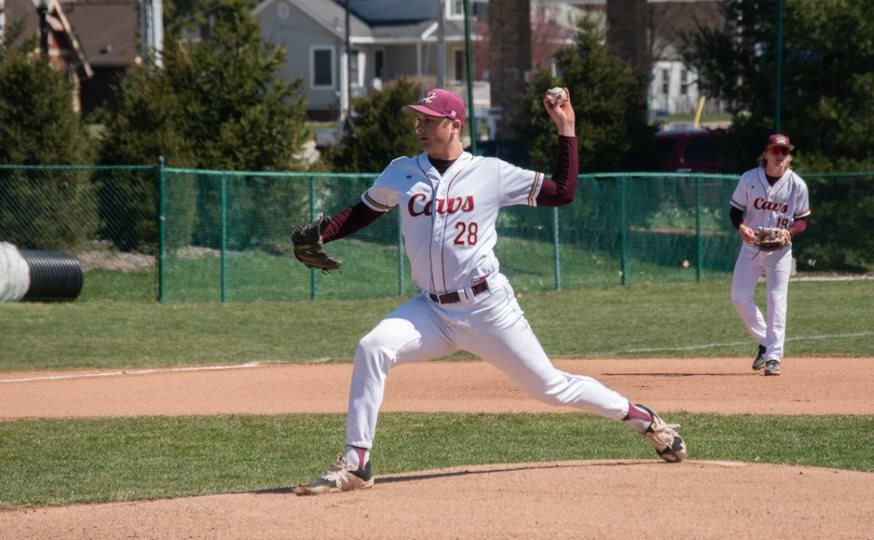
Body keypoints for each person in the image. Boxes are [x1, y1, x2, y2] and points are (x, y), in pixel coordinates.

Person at [292, 88, 686, 496]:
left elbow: (563, 192)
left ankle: (642, 418)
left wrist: (566, 128)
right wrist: (322, 233)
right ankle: (358, 461)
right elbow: (363, 211)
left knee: (551, 388)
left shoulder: (490, 172)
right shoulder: (401, 171)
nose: (420, 126)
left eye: (430, 119)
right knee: (373, 347)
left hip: (487, 307)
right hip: (432, 311)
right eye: (419, 119)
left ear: (455, 125)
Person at [729, 133, 811, 376]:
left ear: (789, 156)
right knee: (739, 297)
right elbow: (735, 210)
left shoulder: (797, 185)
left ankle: (774, 356)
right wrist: (741, 227)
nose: (780, 155)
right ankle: (766, 341)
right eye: (775, 150)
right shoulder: (749, 179)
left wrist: (790, 233)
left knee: (776, 299)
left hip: (780, 251)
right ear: (766, 153)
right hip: (752, 247)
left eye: (784, 152)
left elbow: (803, 219)